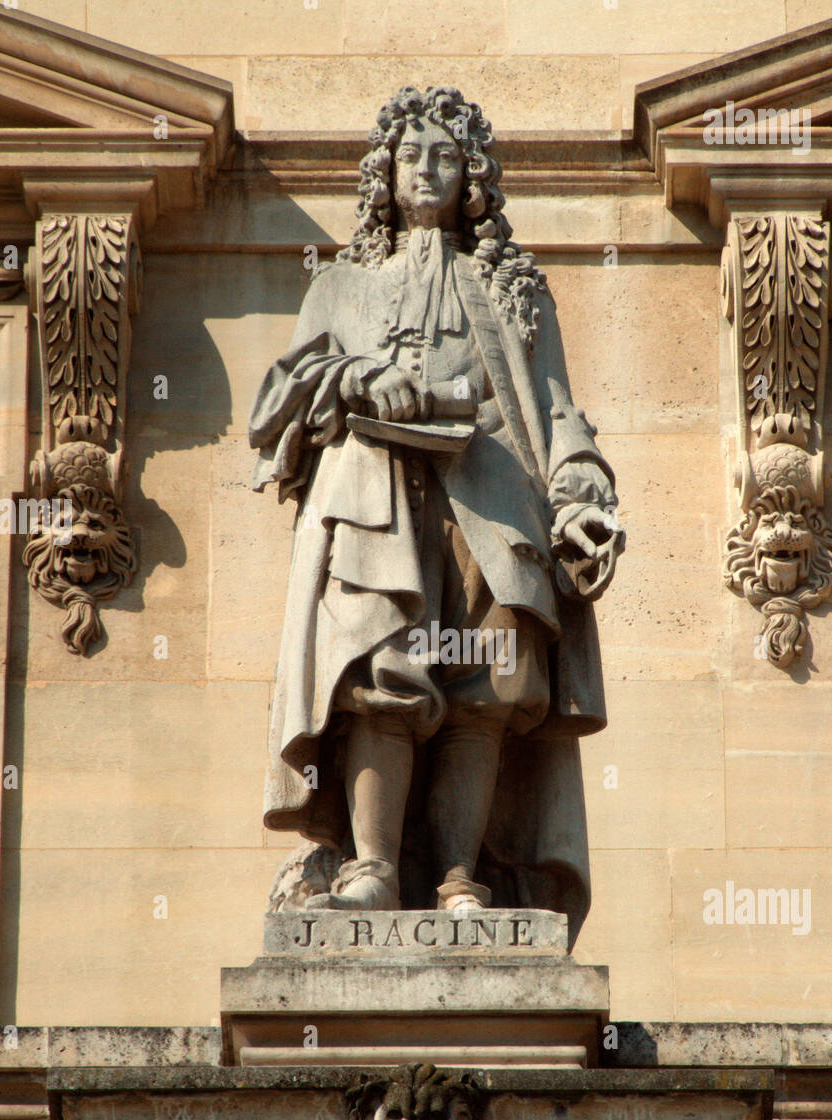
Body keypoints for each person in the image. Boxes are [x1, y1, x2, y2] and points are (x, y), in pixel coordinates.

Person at [249, 85, 623, 934]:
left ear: (474, 178)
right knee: (378, 673)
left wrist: (581, 497)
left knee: (486, 686)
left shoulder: (512, 293)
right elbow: (276, 400)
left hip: (488, 497)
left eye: (447, 156)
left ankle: (459, 878)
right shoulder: (340, 286)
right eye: (411, 154)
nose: (427, 170)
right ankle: (374, 866)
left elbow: (556, 411)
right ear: (383, 173)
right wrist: (351, 376)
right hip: (373, 497)